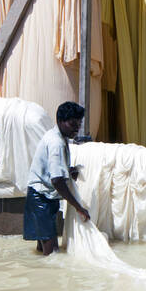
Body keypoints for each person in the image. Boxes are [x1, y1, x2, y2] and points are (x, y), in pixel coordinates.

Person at [24, 101, 91, 255]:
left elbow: (54, 170)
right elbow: (57, 181)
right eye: (73, 123)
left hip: (41, 195)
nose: (77, 128)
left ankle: (39, 274)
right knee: (52, 253)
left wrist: (68, 171)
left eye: (79, 124)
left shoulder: (59, 136)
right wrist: (78, 207)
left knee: (42, 248)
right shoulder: (56, 143)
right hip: (41, 199)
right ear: (60, 121)